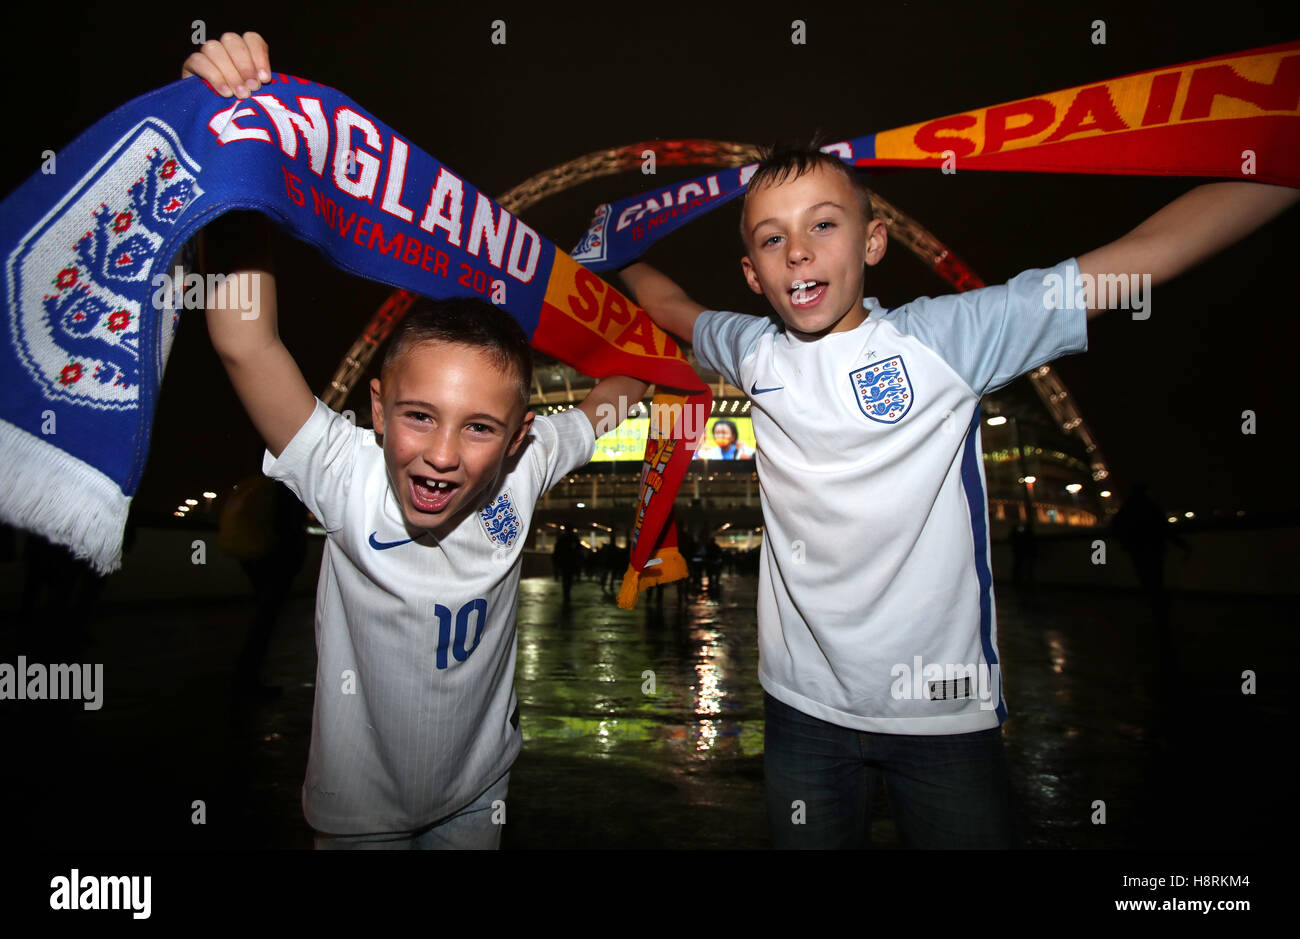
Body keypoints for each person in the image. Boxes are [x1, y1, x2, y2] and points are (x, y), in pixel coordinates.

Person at [620, 142, 1297, 849]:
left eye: (823, 224)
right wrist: (619, 254)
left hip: (941, 716)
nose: (796, 251)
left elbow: (1138, 257)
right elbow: (673, 306)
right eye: (771, 236)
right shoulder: (750, 348)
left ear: (874, 241)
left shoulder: (949, 338)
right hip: (801, 707)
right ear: (752, 275)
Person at [191, 32, 648, 850]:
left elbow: (614, 399)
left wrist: (643, 353)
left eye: (480, 427)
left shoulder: (528, 467)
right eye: (419, 415)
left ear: (518, 440)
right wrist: (237, 155)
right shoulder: (344, 474)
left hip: (479, 793)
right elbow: (244, 343)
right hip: (359, 816)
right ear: (374, 409)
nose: (442, 453)